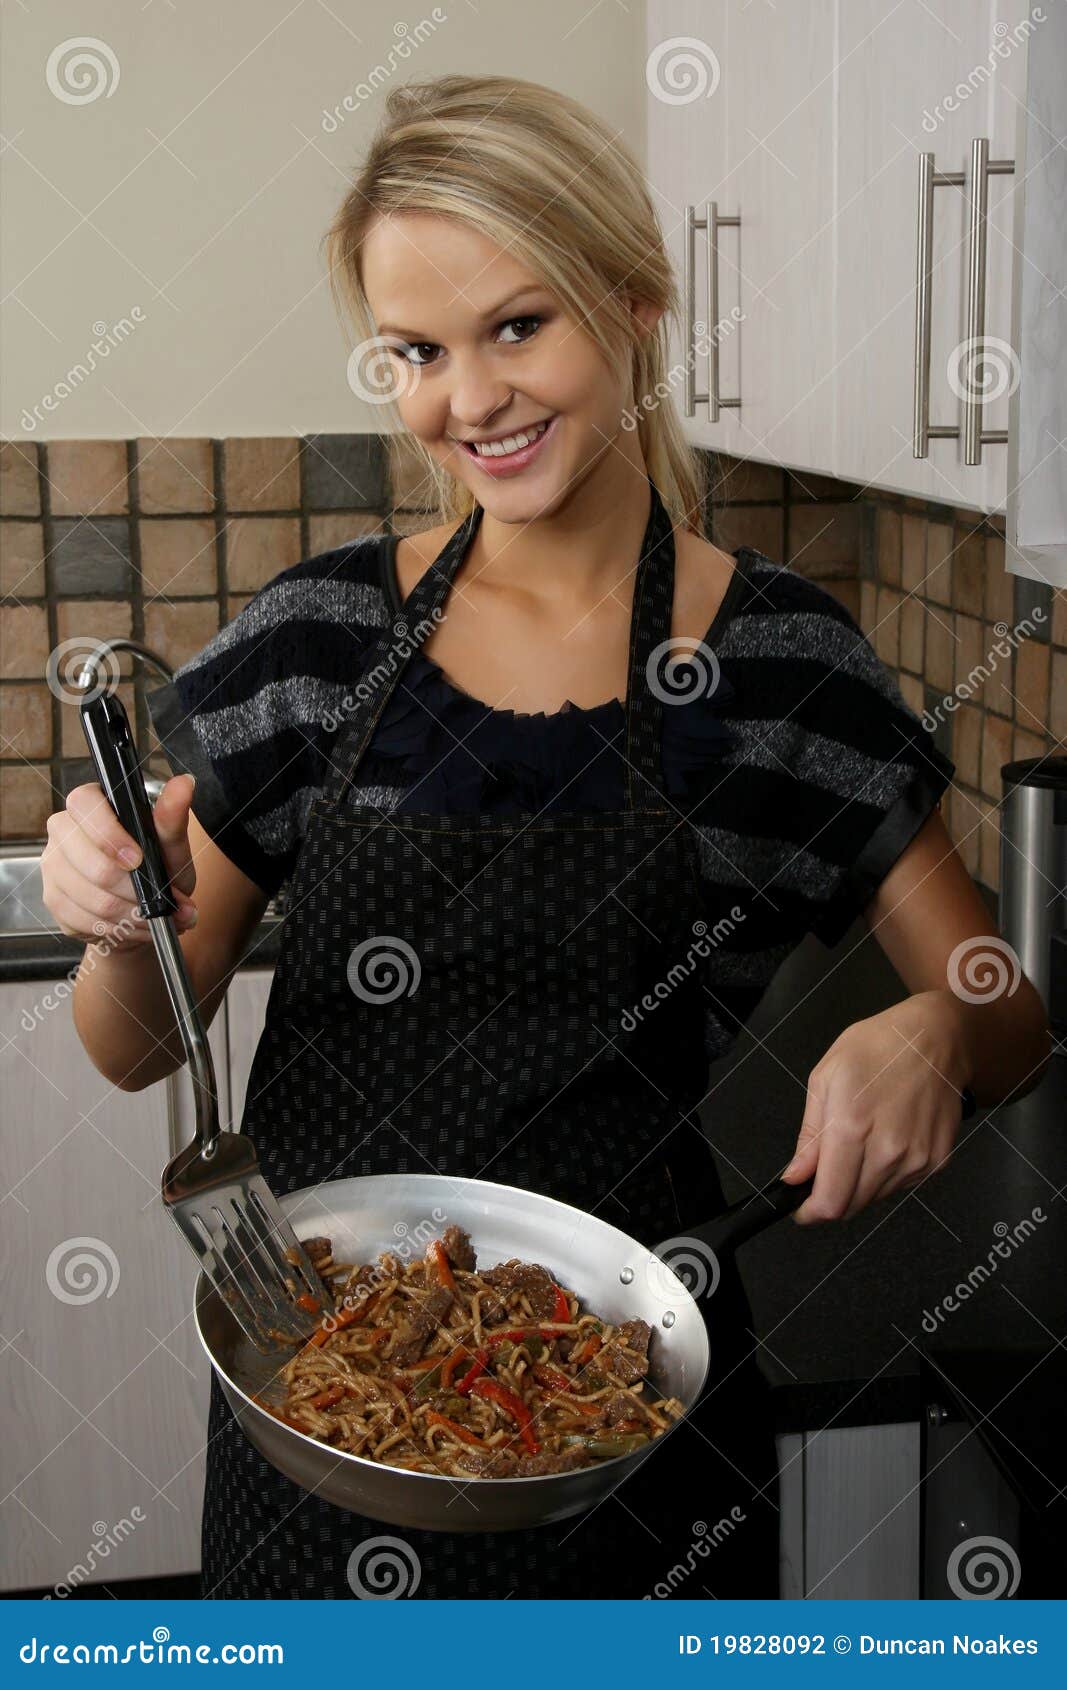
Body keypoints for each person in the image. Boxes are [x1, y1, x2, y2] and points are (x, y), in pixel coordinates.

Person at [43, 75, 1049, 1601]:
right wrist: (116, 919)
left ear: (635, 305)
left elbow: (1008, 1007)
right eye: (421, 352)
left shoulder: (782, 664)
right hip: (322, 1416)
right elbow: (133, 1049)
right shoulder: (320, 639)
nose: (473, 400)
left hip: (627, 1423)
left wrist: (933, 1036)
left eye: (521, 327)